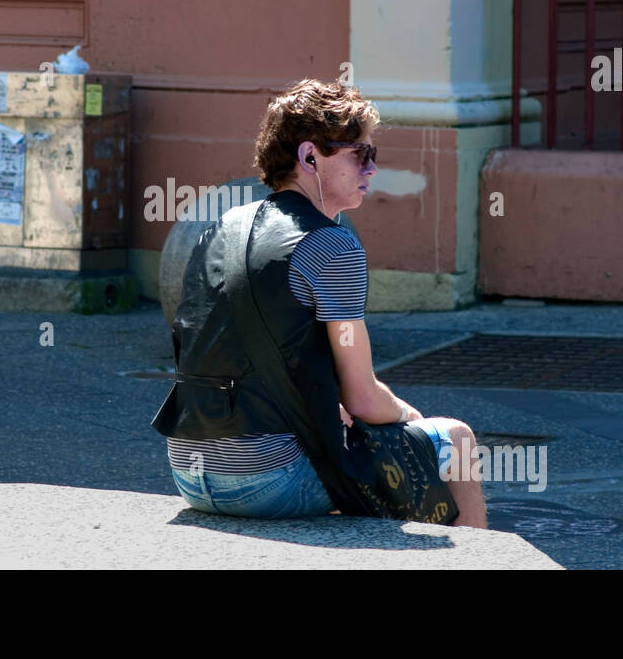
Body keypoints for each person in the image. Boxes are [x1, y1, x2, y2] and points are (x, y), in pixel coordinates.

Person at [151, 79, 488, 526]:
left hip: (189, 471)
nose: (371, 169)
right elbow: (364, 398)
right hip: (266, 479)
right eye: (360, 154)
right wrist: (410, 417)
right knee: (455, 439)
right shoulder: (332, 245)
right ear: (309, 156)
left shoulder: (223, 226)